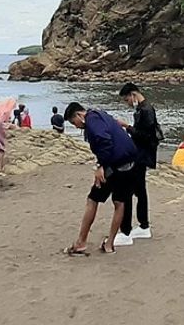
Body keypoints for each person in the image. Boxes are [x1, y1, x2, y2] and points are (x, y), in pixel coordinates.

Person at [63, 102, 138, 255]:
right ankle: (109, 245)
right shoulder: (101, 114)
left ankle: (81, 242)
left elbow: (104, 141)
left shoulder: (92, 121)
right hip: (130, 164)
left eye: (73, 122)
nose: (76, 126)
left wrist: (100, 166)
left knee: (92, 199)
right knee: (120, 203)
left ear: (79, 115)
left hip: (114, 165)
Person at [118, 83, 160, 243]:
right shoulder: (143, 109)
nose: (127, 102)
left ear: (134, 94)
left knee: (130, 191)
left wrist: (127, 127)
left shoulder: (146, 110)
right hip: (141, 155)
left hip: (141, 156)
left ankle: (128, 230)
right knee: (140, 190)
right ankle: (143, 226)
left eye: (127, 99)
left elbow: (146, 136)